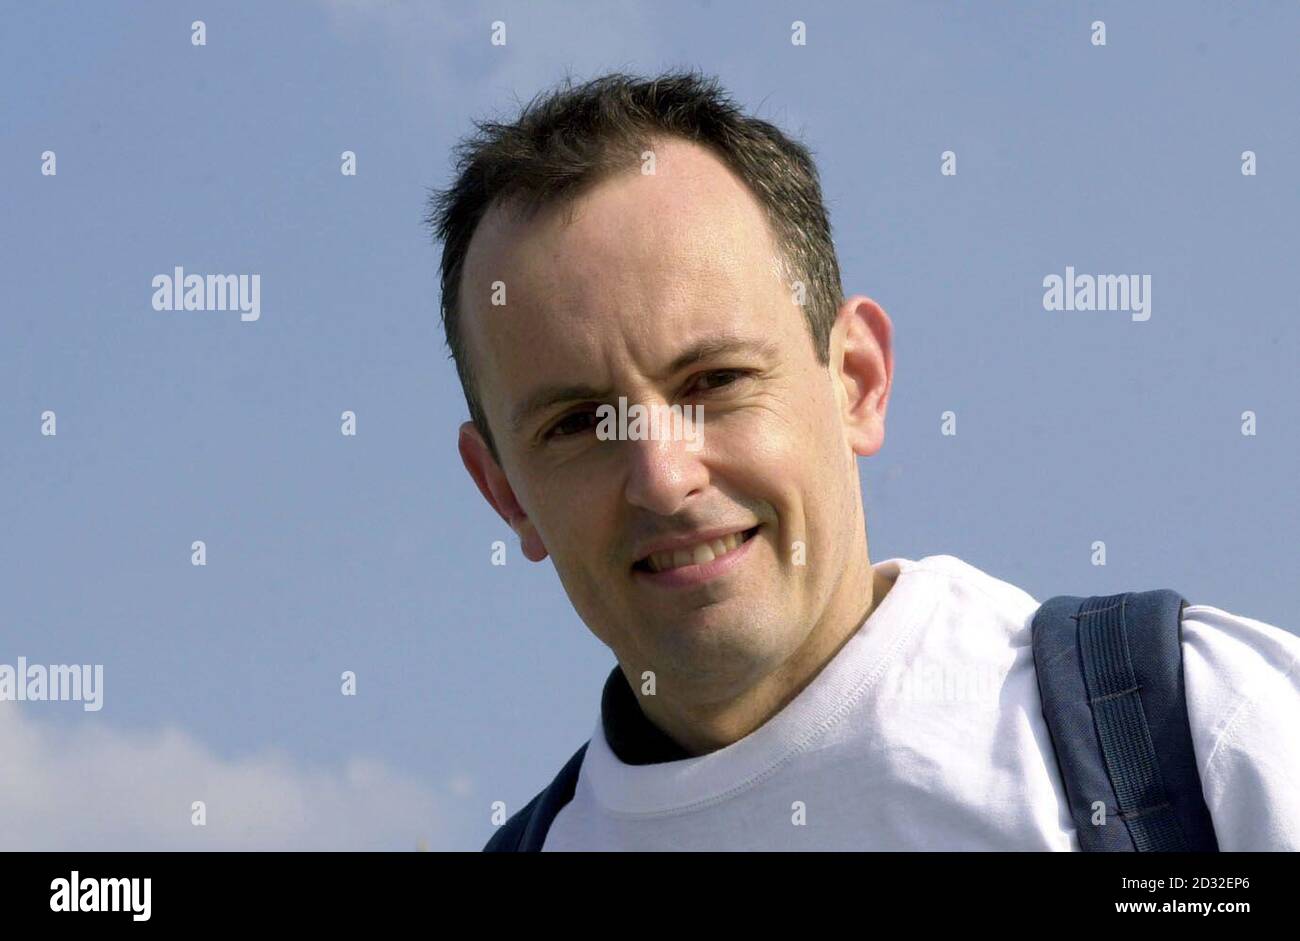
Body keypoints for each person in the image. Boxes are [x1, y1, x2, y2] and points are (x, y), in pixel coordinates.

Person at [426, 69, 1300, 851]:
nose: (664, 475)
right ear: (505, 492)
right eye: (578, 424)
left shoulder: (1205, 735)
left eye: (716, 380)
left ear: (856, 380)